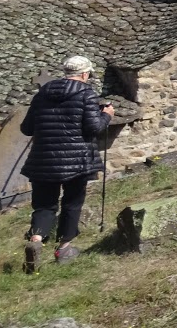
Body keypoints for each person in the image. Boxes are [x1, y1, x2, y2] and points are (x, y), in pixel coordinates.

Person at [21, 55, 113, 272]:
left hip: (43, 160)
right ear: (84, 74)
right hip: (76, 161)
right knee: (72, 202)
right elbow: (93, 128)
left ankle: (35, 240)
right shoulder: (85, 94)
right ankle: (64, 249)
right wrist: (106, 115)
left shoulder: (42, 93)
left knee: (44, 204)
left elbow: (27, 128)